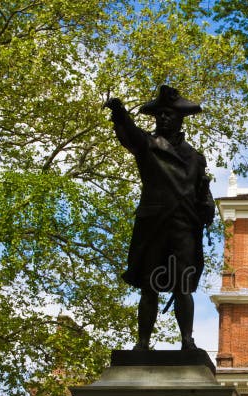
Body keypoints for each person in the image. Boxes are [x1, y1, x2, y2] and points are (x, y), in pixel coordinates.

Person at [104, 85, 215, 350]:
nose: (163, 118)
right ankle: (142, 343)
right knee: (149, 286)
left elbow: (203, 191)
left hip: (184, 225)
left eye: (169, 114)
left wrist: (207, 207)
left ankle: (187, 341)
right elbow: (129, 134)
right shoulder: (148, 145)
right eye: (160, 114)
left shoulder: (195, 158)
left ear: (180, 118)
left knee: (183, 286)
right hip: (154, 224)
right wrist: (119, 112)